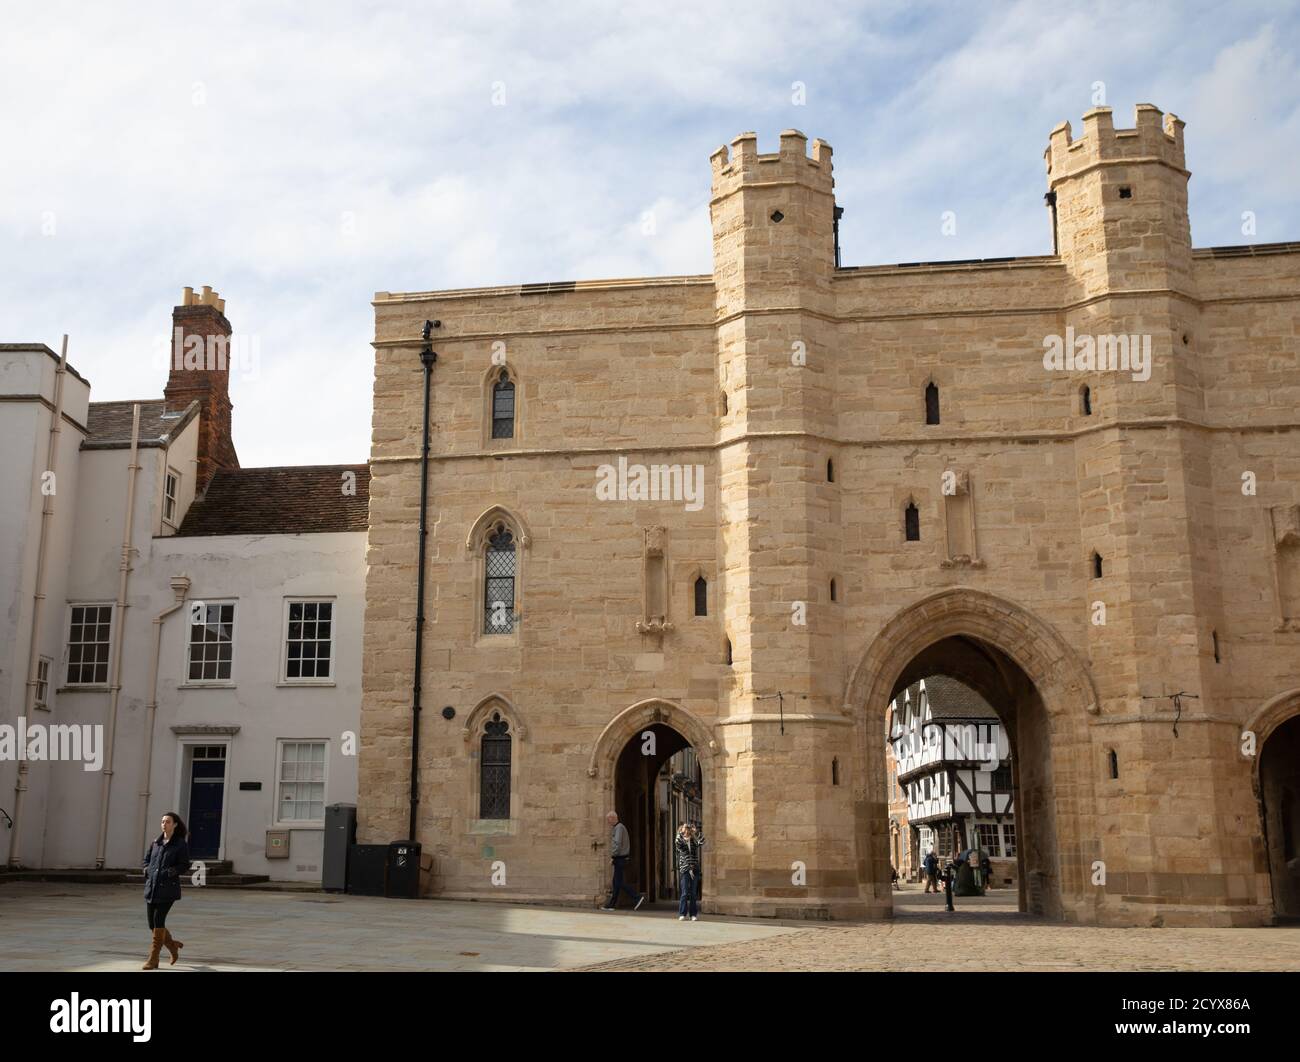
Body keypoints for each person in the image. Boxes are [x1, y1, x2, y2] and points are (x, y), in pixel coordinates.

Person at [141, 811, 191, 970]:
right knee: (152, 925)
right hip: (152, 887)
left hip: (168, 889)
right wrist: (146, 870)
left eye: (168, 821)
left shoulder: (180, 844)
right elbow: (146, 860)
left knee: (159, 920)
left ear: (175, 824)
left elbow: (184, 865)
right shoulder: (156, 842)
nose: (164, 824)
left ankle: (153, 959)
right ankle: (172, 946)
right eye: (163, 821)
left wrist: (171, 872)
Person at [599, 811, 644, 911]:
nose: (607, 822)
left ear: (613, 818)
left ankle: (636, 897)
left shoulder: (619, 827)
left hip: (620, 858)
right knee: (616, 882)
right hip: (619, 858)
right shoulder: (619, 827)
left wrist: (613, 856)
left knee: (618, 882)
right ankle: (612, 904)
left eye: (608, 819)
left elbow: (617, 843)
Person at [674, 822, 705, 921]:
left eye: (688, 828)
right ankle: (682, 913)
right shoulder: (681, 841)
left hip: (695, 869)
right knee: (684, 892)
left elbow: (702, 841)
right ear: (682, 830)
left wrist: (696, 832)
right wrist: (681, 832)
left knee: (693, 893)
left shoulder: (693, 841)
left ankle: (693, 914)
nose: (687, 830)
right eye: (685, 828)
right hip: (685, 869)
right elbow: (677, 842)